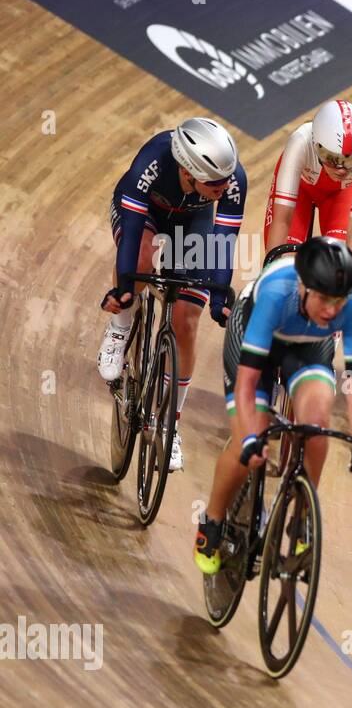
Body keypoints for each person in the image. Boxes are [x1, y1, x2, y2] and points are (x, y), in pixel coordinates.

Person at [193, 237, 352, 574]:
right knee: (250, 435)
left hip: (308, 348)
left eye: (338, 300)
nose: (332, 310)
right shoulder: (277, 294)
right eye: (323, 299)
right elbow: (247, 382)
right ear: (304, 286)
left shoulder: (350, 307)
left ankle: (303, 516)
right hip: (254, 338)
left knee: (318, 424)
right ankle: (212, 521)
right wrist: (250, 438)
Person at [98, 117, 247, 472]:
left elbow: (223, 244)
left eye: (227, 179)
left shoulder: (232, 180)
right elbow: (132, 234)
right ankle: (119, 330)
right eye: (215, 182)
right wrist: (123, 291)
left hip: (191, 227)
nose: (224, 187)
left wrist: (220, 299)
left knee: (187, 322)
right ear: (189, 171)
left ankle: (170, 423)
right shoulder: (153, 160)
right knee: (141, 260)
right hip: (142, 214)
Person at [263, 99, 352, 264]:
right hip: (300, 190)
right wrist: (269, 271)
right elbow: (282, 219)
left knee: (338, 263)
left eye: (351, 160)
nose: (341, 169)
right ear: (316, 145)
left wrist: (351, 281)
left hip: (340, 194)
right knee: (285, 261)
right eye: (332, 159)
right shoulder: (300, 141)